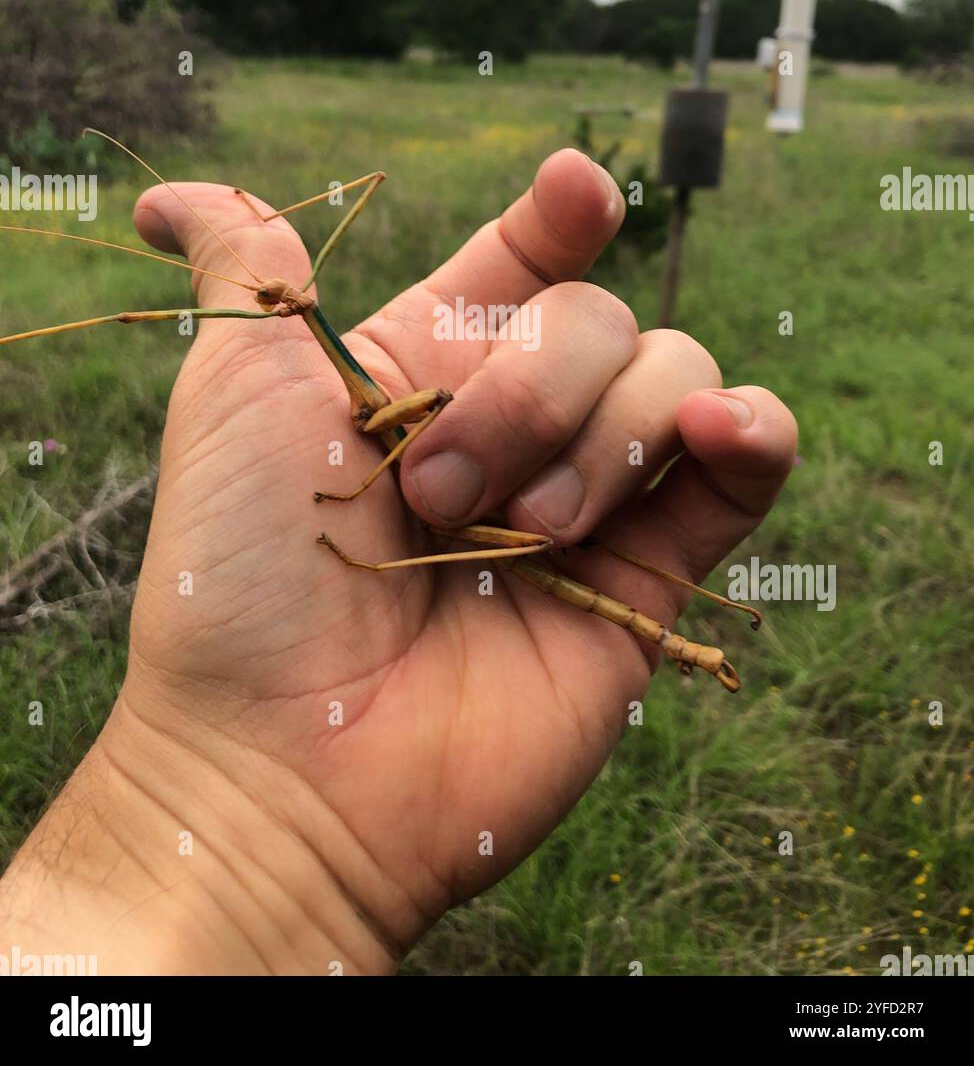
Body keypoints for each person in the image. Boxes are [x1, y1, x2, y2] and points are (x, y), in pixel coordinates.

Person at [0, 149, 796, 974]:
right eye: (272, 300)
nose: (277, 302)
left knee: (548, 519)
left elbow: (429, 383)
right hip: (439, 600)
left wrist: (361, 527)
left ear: (291, 303)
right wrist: (214, 776)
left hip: (499, 555)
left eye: (282, 300)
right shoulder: (298, 361)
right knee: (536, 508)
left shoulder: (371, 396)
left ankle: (675, 628)